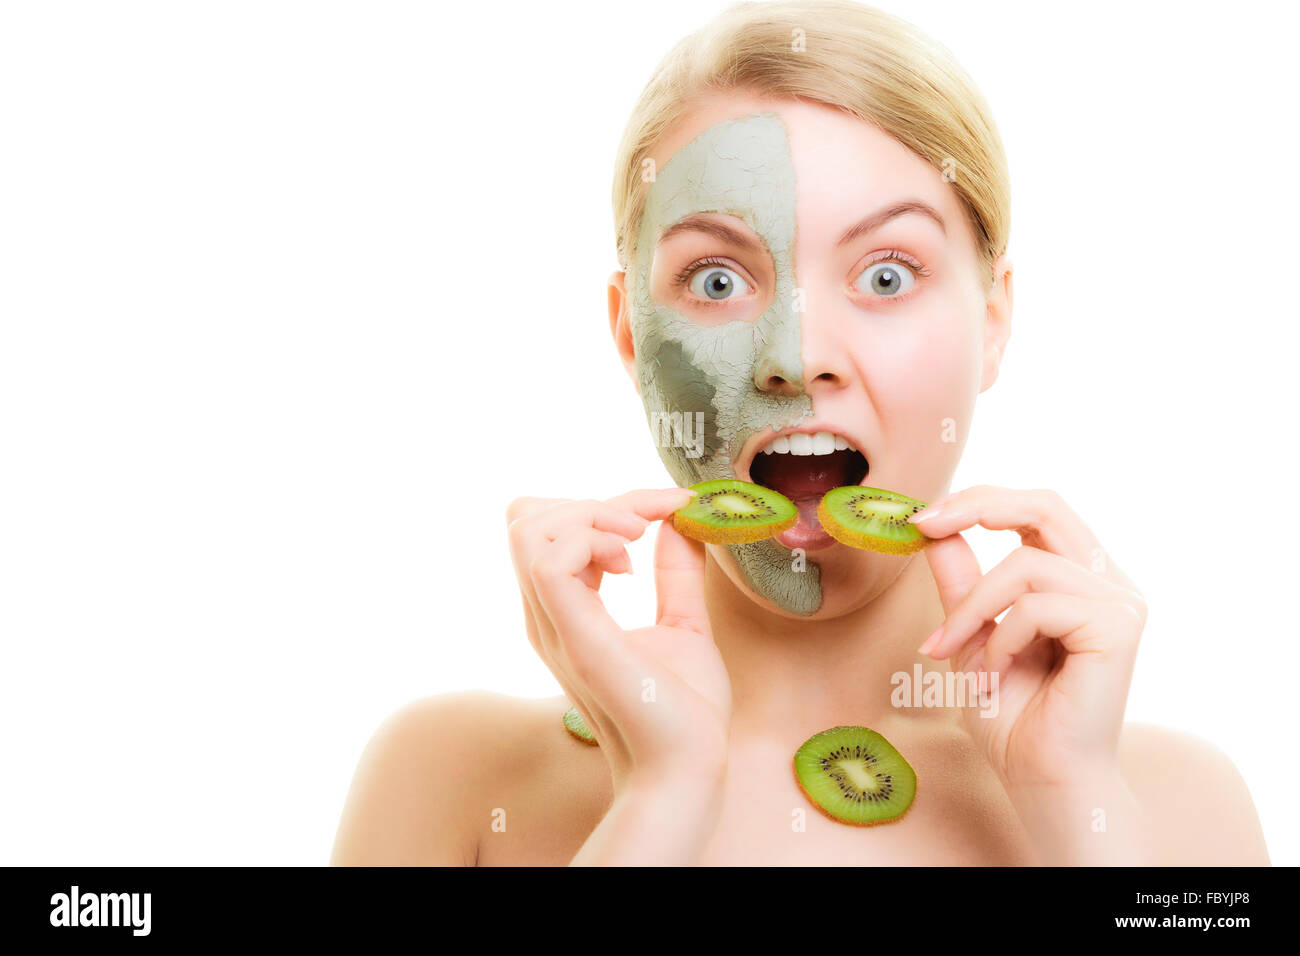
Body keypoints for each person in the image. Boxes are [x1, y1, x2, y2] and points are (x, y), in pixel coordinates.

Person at [331, 0, 1269, 866]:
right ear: (629, 337)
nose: (799, 356)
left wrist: (1077, 811)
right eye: (716, 280)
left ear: (993, 321)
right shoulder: (452, 777)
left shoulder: (1182, 809)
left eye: (887, 275)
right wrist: (660, 801)